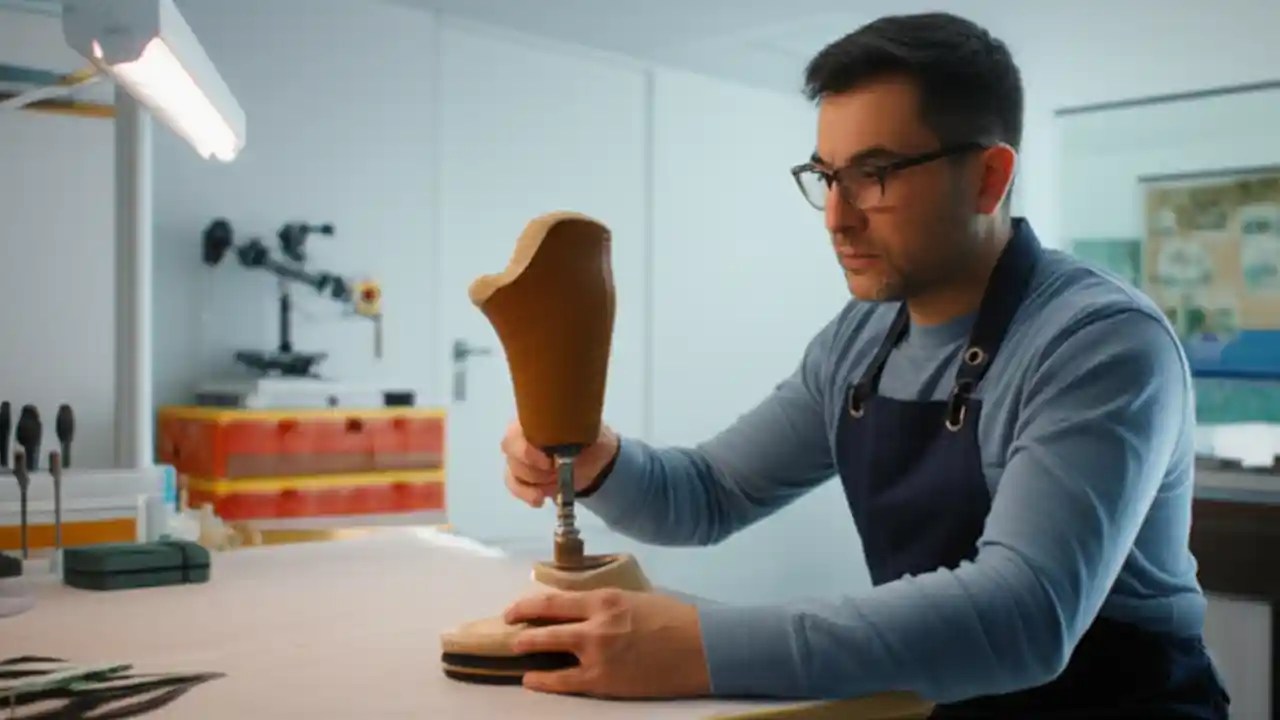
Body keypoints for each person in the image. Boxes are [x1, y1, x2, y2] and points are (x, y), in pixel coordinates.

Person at [498, 11, 1231, 718]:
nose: (836, 218)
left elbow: (1023, 615)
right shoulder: (860, 341)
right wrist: (597, 461)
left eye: (875, 175)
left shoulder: (1098, 344)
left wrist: (697, 647)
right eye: (827, 175)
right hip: (945, 704)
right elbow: (710, 493)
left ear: (988, 177)